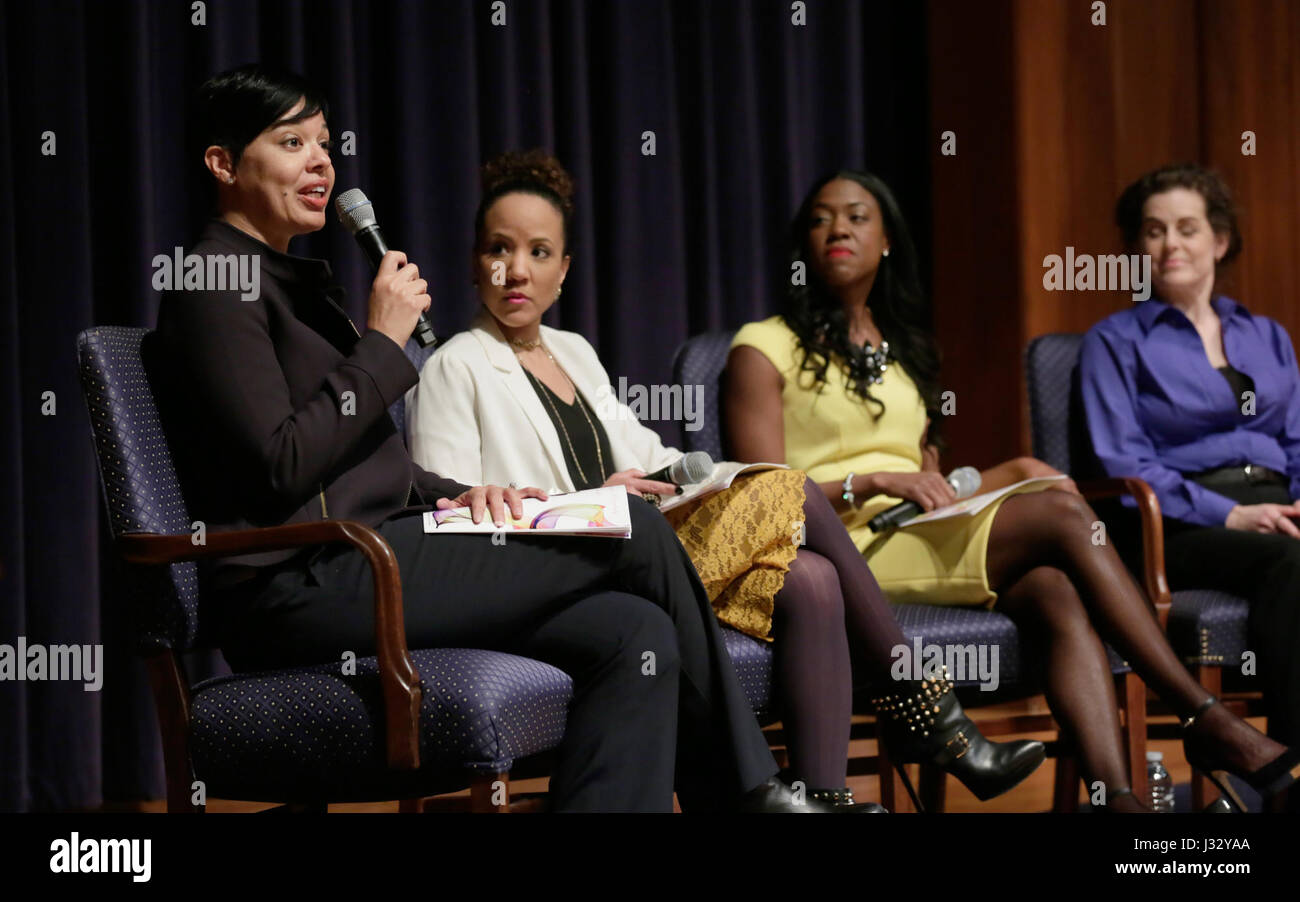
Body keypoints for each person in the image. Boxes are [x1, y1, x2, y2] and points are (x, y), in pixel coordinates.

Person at [148, 64, 847, 814]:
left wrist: (460, 494)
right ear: (222, 163)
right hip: (305, 587)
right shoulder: (211, 283)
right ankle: (746, 795)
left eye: (323, 142)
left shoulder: (286, 282)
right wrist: (383, 346)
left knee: (633, 632)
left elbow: (358, 462)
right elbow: (280, 463)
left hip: (368, 554)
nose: (322, 161)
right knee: (636, 531)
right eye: (292, 142)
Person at [409, 149, 1044, 807]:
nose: (517, 270)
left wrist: (695, 478)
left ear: (564, 270)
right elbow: (454, 528)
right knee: (790, 487)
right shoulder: (454, 366)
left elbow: (652, 456)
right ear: (473, 260)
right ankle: (924, 705)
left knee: (813, 576)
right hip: (565, 572)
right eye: (499, 249)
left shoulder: (574, 353)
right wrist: (595, 498)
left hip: (638, 548)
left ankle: (823, 796)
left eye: (539, 252)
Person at [724, 168, 1299, 811]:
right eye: (822, 218)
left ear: (887, 240)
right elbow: (762, 494)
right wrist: (870, 479)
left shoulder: (902, 352)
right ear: (803, 242)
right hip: (840, 552)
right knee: (1060, 517)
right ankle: (1201, 715)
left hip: (914, 529)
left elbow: (929, 480)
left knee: (1054, 588)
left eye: (858, 216)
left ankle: (1118, 801)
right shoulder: (762, 346)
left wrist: (1013, 468)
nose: (839, 229)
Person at [1080, 163, 1300, 808]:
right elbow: (1125, 465)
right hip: (1175, 525)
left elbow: (1296, 438)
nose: (1170, 243)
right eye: (1153, 231)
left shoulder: (1267, 335)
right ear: (1136, 249)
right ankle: (1286, 776)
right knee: (1292, 562)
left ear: (1219, 241)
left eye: (1186, 228)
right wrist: (1228, 514)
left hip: (1277, 508)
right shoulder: (1114, 341)